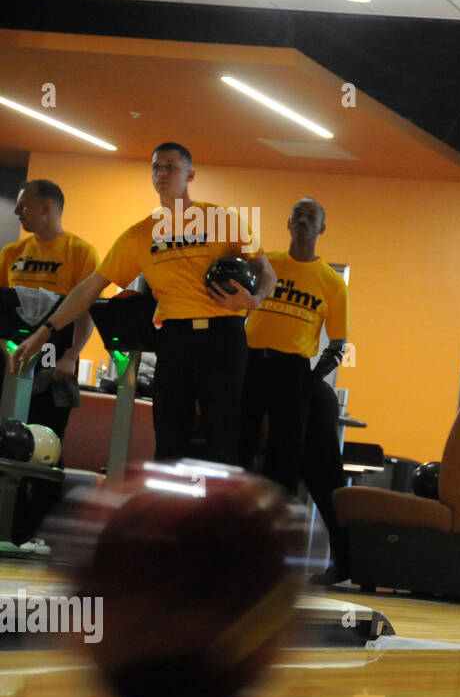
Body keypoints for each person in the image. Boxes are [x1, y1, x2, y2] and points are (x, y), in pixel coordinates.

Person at [9, 143, 275, 465]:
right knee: (169, 438)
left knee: (222, 436)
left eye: (170, 167)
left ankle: (220, 514)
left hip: (223, 335)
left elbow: (266, 271)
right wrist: (44, 331)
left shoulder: (222, 219)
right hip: (174, 338)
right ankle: (165, 512)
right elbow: (91, 286)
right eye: (156, 167)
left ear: (190, 174)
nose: (161, 173)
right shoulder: (140, 234)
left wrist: (255, 298)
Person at [239, 197, 350, 586]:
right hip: (252, 362)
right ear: (288, 224)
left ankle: (275, 555)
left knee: (284, 462)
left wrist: (314, 377)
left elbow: (338, 343)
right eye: (297, 217)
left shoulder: (333, 284)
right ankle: (234, 545)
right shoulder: (265, 264)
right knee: (238, 452)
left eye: (311, 219)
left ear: (322, 228)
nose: (303, 223)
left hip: (293, 369)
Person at [3, 180, 98, 438]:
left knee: (44, 435)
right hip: (11, 352)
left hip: (54, 352)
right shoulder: (12, 253)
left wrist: (71, 355)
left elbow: (86, 311)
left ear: (47, 207)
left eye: (23, 206)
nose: (17, 212)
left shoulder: (79, 251)